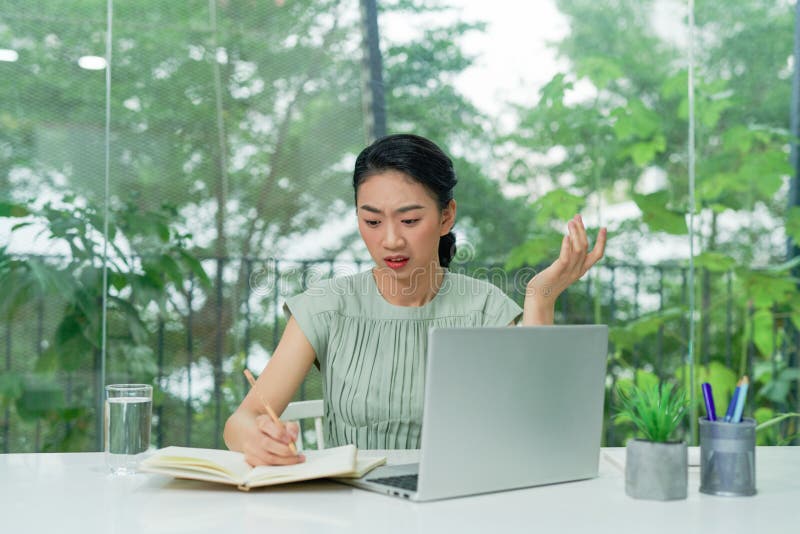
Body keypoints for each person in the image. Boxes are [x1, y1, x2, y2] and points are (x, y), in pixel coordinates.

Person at [223, 134, 606, 466]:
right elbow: (241, 422)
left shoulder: (484, 308)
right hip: (352, 510)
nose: (390, 240)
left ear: (446, 217)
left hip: (458, 504)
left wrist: (540, 298)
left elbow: (536, 426)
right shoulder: (326, 307)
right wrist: (257, 439)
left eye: (409, 221)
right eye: (372, 222)